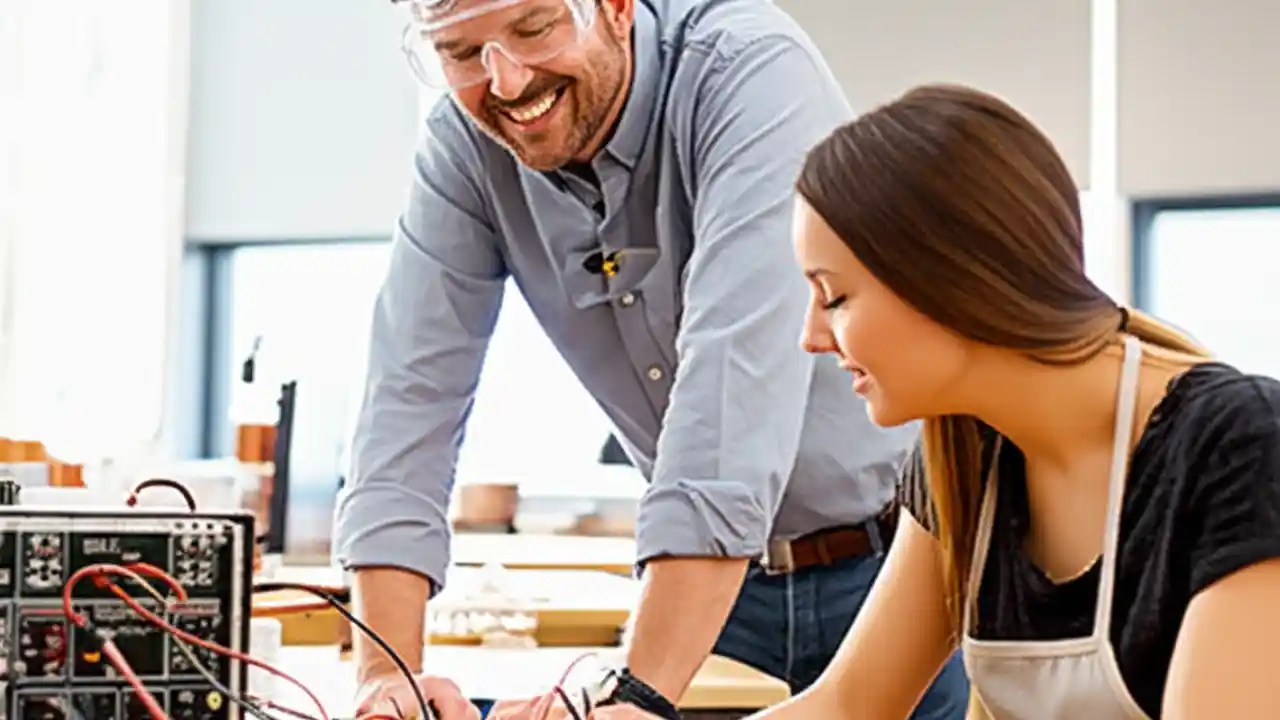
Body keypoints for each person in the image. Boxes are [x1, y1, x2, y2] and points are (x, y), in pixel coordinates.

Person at [334, 0, 969, 719]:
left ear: (614, 6)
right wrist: (386, 676)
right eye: (460, 53)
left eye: (534, 29)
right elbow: (408, 402)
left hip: (900, 569)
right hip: (711, 594)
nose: (505, 82)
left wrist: (637, 694)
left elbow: (730, 396)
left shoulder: (748, 73)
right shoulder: (464, 145)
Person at [609, 83, 1280, 720]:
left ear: (947, 278)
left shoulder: (1242, 446)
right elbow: (849, 706)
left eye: (834, 296)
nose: (811, 337)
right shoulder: (962, 460)